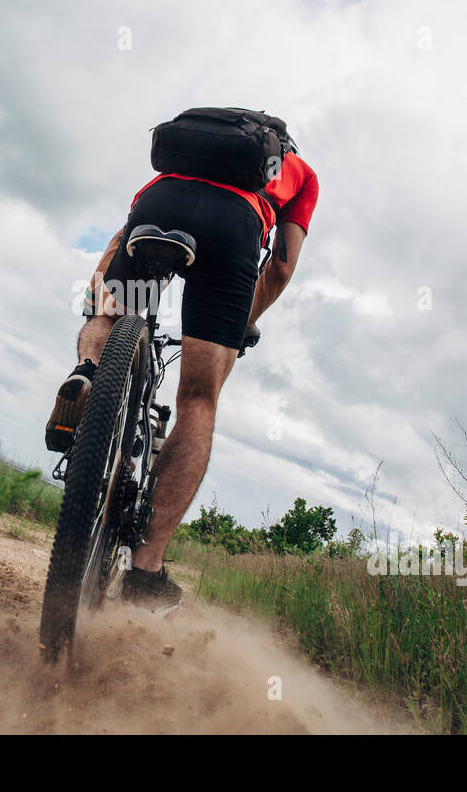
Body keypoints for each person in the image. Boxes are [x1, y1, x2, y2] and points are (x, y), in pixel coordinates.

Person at [46, 120, 318, 613]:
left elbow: (120, 233)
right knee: (197, 398)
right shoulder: (300, 173)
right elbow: (279, 266)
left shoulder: (185, 155)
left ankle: (85, 371)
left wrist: (100, 298)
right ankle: (145, 571)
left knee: (110, 313)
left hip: (156, 209)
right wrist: (241, 324)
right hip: (233, 228)